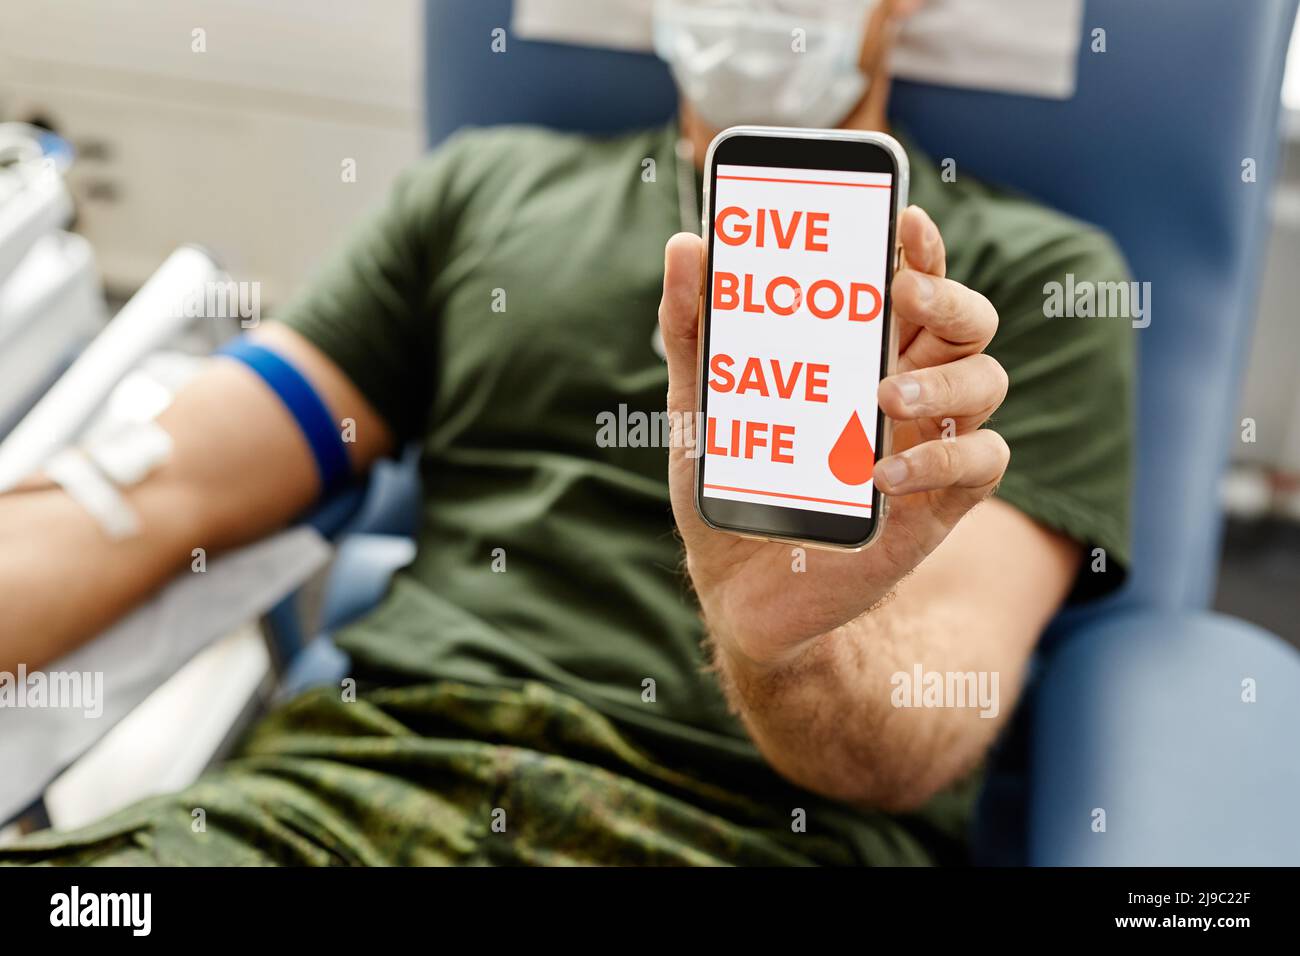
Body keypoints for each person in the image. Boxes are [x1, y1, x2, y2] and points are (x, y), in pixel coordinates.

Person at [0, 0, 1132, 865]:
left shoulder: (1015, 287)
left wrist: (787, 639)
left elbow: (926, 724)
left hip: (750, 836)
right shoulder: (482, 192)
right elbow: (144, 498)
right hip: (355, 794)